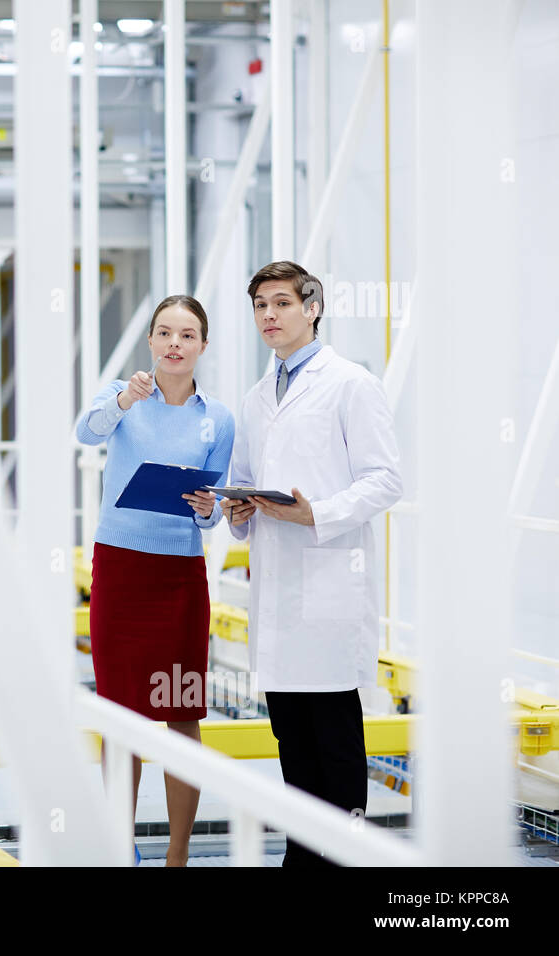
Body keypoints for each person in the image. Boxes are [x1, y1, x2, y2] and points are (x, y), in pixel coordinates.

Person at [221, 260, 403, 867]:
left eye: (282, 303)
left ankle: (340, 858)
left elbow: (385, 480)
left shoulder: (350, 383)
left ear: (313, 308)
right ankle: (303, 855)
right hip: (276, 593)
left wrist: (317, 514)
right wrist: (236, 509)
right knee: (291, 741)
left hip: (329, 588)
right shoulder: (253, 397)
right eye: (260, 307)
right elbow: (245, 482)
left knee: (336, 743)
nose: (269, 316)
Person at [75, 294, 234, 867]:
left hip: (179, 577)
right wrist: (122, 400)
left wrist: (202, 506)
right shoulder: (120, 396)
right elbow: (87, 434)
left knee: (182, 711)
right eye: (165, 332)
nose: (174, 343)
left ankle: (178, 850)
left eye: (187, 335)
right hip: (120, 570)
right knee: (121, 716)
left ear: (202, 347)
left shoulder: (218, 418)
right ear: (150, 341)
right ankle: (119, 847)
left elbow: (214, 511)